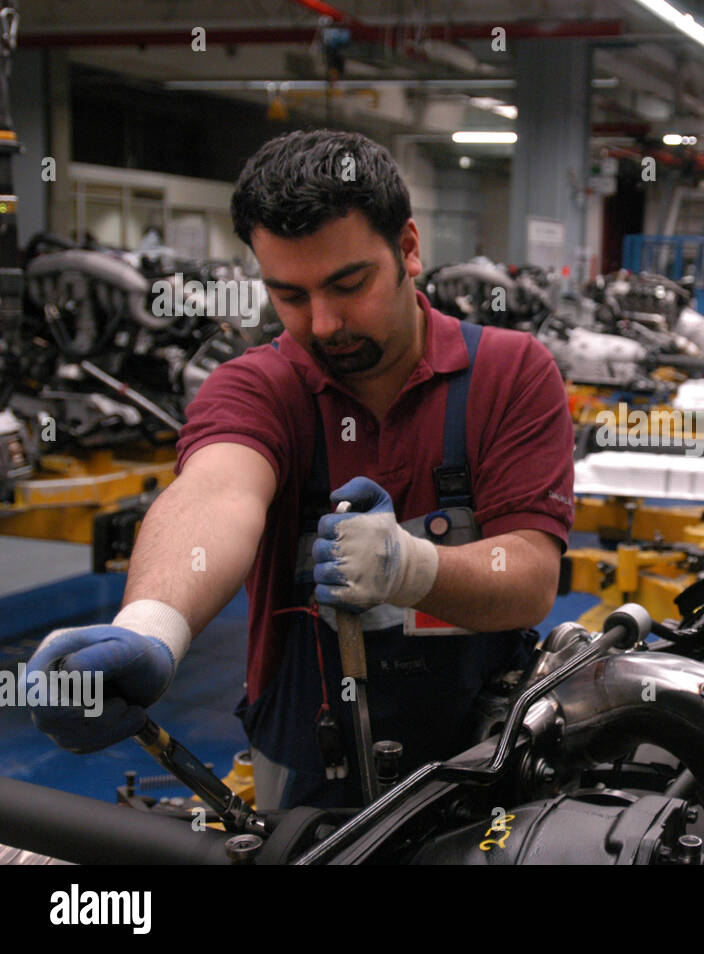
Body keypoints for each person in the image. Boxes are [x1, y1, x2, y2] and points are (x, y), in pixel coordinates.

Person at [25, 130, 575, 808]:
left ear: (408, 247)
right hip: (304, 780)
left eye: (349, 284)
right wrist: (149, 631)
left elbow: (529, 577)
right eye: (289, 294)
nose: (323, 323)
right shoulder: (258, 385)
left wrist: (412, 568)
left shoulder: (510, 373)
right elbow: (215, 498)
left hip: (488, 766)